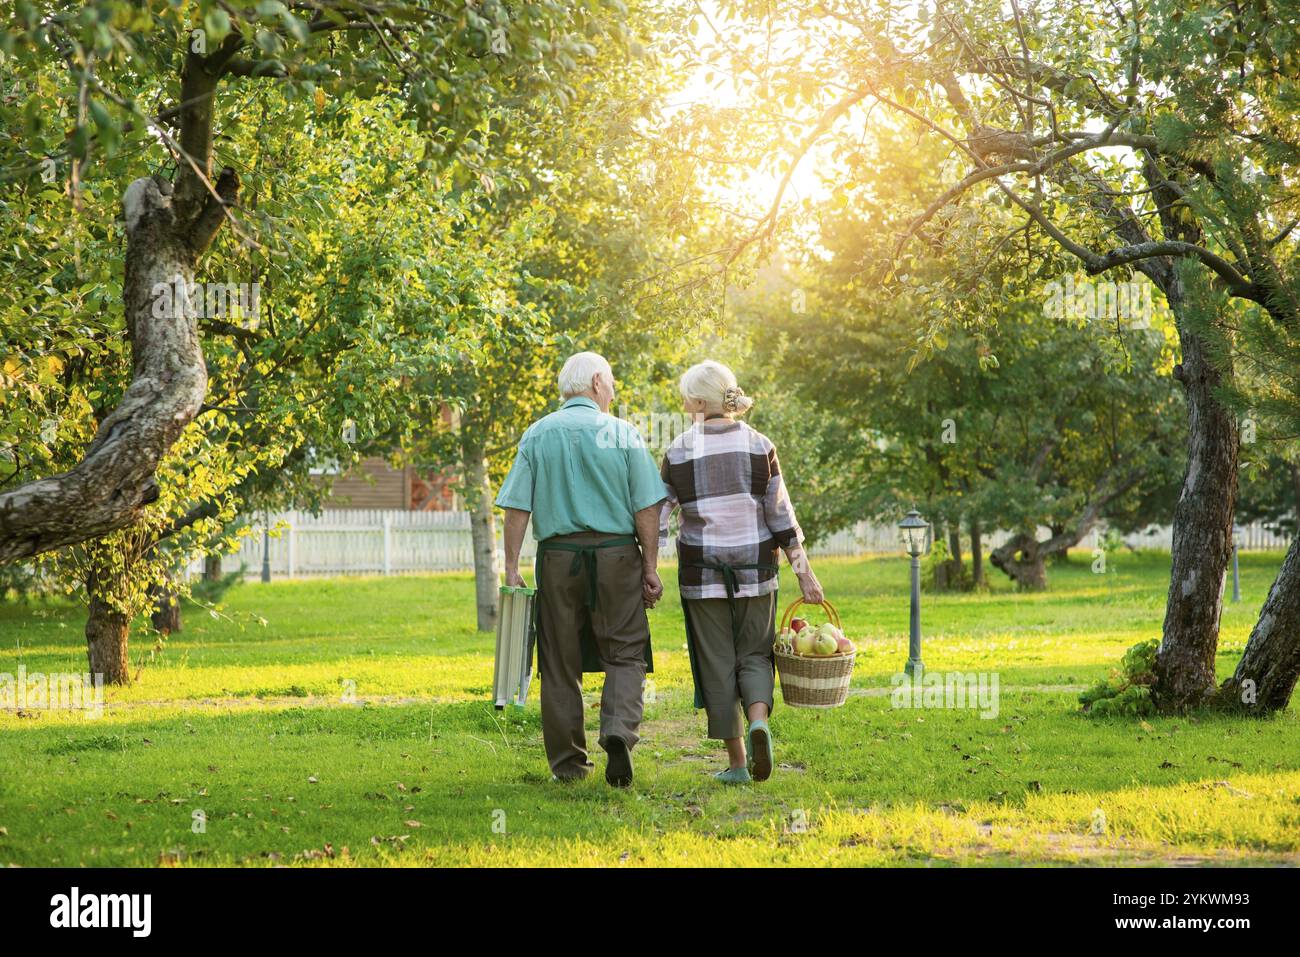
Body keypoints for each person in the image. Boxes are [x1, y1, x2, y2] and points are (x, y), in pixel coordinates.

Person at [497, 352, 666, 786]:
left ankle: (569, 766)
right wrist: (649, 566)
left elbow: (517, 506)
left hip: (557, 559)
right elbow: (647, 506)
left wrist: (511, 567)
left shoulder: (537, 434)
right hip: (616, 556)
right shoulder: (622, 433)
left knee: (558, 661)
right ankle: (618, 733)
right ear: (595, 382)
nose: (612, 393)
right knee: (626, 651)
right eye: (610, 384)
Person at [660, 360, 823, 784]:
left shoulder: (678, 450)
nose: (681, 403)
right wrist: (804, 573)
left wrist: (645, 567)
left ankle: (736, 764)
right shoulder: (758, 444)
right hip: (756, 571)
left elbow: (659, 517)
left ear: (699, 401)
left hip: (702, 575)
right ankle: (759, 723)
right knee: (754, 654)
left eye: (685, 397)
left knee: (715, 663)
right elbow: (781, 516)